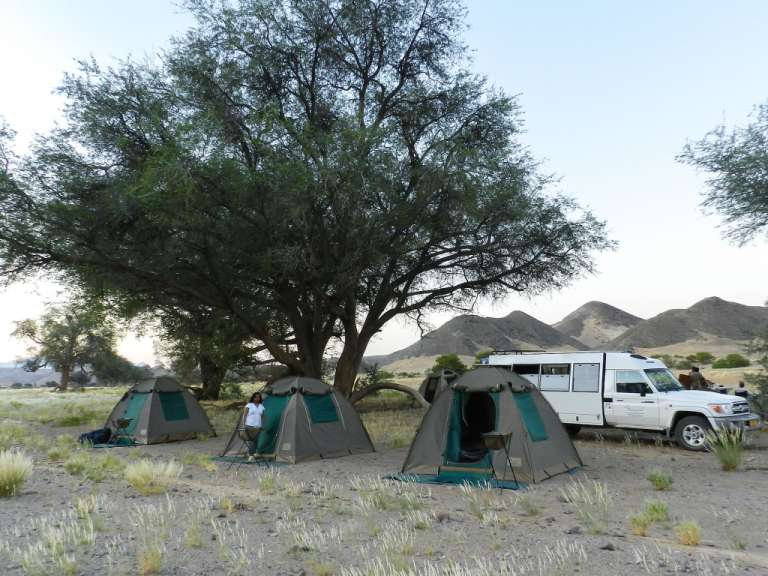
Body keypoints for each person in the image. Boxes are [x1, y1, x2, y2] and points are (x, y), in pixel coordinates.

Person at [243, 392, 265, 461]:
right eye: (255, 397)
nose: (257, 398)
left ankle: (252, 454)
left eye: (258, 397)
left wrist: (263, 425)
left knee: (256, 441)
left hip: (258, 426)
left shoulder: (261, 406)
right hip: (249, 425)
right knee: (251, 441)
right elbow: (245, 415)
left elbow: (263, 416)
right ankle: (250, 455)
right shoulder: (249, 405)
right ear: (253, 397)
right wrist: (244, 425)